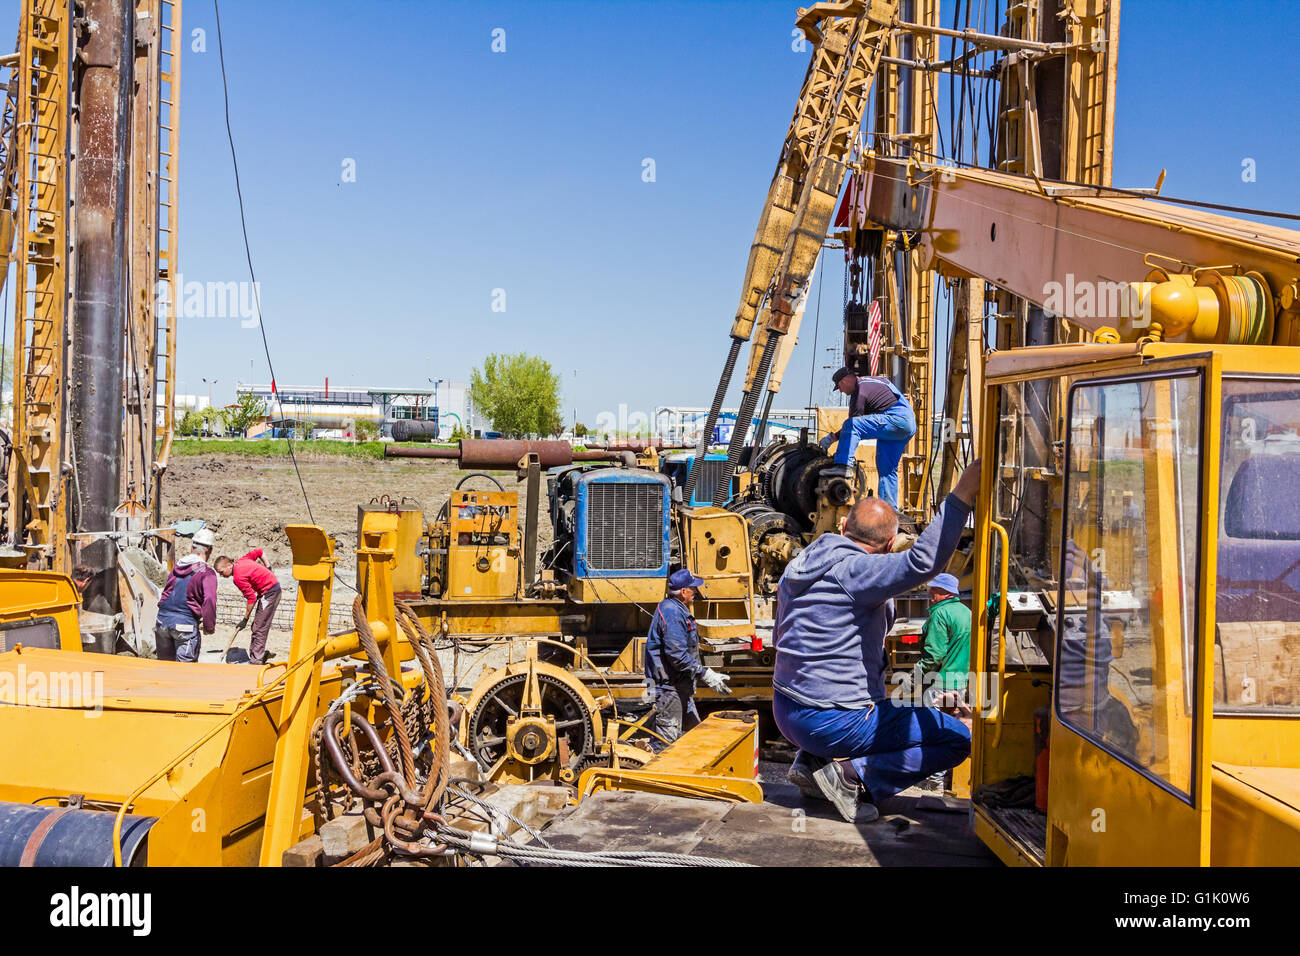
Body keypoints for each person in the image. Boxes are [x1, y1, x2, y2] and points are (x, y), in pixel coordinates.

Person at [774, 460, 981, 823]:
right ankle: (849, 777)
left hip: (785, 713)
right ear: (888, 544)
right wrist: (963, 494)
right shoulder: (859, 571)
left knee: (890, 708)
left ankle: (811, 763)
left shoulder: (800, 561)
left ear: (842, 526)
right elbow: (923, 562)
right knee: (955, 737)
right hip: (831, 722)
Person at [644, 568, 731, 751]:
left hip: (677, 687)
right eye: (693, 589)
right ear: (684, 591)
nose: (696, 592)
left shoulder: (674, 609)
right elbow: (677, 656)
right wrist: (705, 673)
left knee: (694, 737)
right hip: (669, 689)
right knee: (664, 746)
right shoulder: (672, 613)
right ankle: (659, 777)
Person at [819, 367, 917, 507]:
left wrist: (831, 438)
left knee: (851, 423)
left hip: (895, 418)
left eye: (839, 386)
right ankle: (888, 510)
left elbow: (852, 426)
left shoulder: (860, 391)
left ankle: (843, 465)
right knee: (887, 470)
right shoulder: (873, 381)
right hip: (907, 423)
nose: (840, 391)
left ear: (845, 380)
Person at [155, 528, 219, 662]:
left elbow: (166, 592)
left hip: (162, 621)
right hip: (185, 625)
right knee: (184, 672)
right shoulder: (207, 572)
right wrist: (209, 627)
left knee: (164, 668)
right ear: (210, 550)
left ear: (192, 547)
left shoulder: (177, 567)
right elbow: (209, 601)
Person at [214, 548, 281, 665]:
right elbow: (259, 551)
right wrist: (268, 566)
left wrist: (245, 619)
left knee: (259, 628)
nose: (221, 575)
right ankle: (258, 655)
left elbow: (251, 598)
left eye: (221, 572)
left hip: (270, 593)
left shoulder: (238, 578)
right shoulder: (242, 560)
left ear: (229, 565)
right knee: (257, 626)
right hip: (269, 590)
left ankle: (256, 661)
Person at [917, 573, 972, 708]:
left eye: (934, 589)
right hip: (959, 682)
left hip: (940, 684)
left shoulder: (940, 614)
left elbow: (934, 655)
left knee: (933, 725)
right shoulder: (966, 612)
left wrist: (914, 677)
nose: (930, 592)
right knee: (950, 723)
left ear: (945, 592)